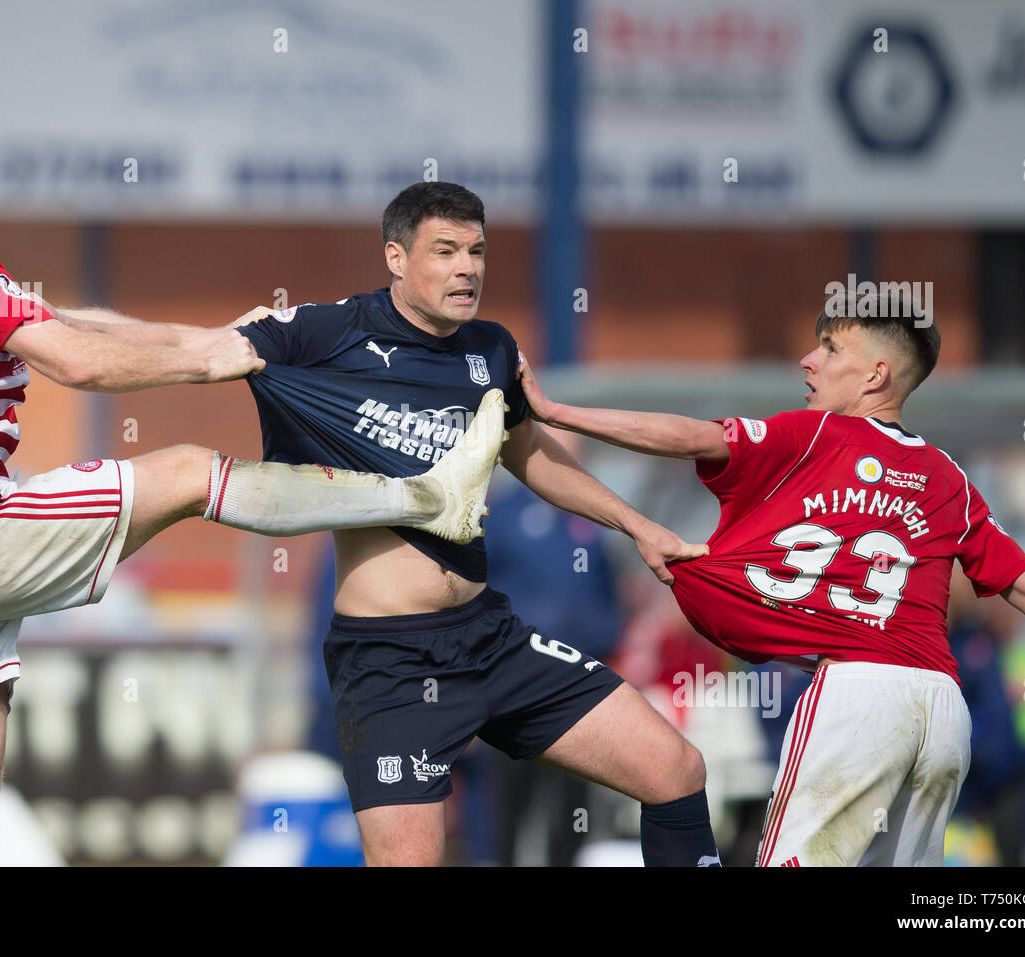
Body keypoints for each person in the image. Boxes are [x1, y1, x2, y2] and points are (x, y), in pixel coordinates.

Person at [0, 117, 501, 866]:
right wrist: (208, 368)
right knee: (192, 470)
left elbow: (66, 322)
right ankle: (422, 499)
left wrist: (206, 338)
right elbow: (82, 365)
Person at [236, 181, 718, 867]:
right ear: (396, 257)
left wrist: (637, 525)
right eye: (446, 250)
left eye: (477, 250)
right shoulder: (330, 335)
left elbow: (530, 457)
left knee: (676, 769)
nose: (468, 266)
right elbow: (210, 355)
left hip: (490, 640)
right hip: (390, 663)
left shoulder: (491, 350)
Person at [520, 299, 1025, 866]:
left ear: (875, 375)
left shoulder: (814, 436)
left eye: (832, 348)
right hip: (942, 709)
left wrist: (555, 412)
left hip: (856, 698)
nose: (808, 361)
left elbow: (687, 437)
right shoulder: (948, 479)